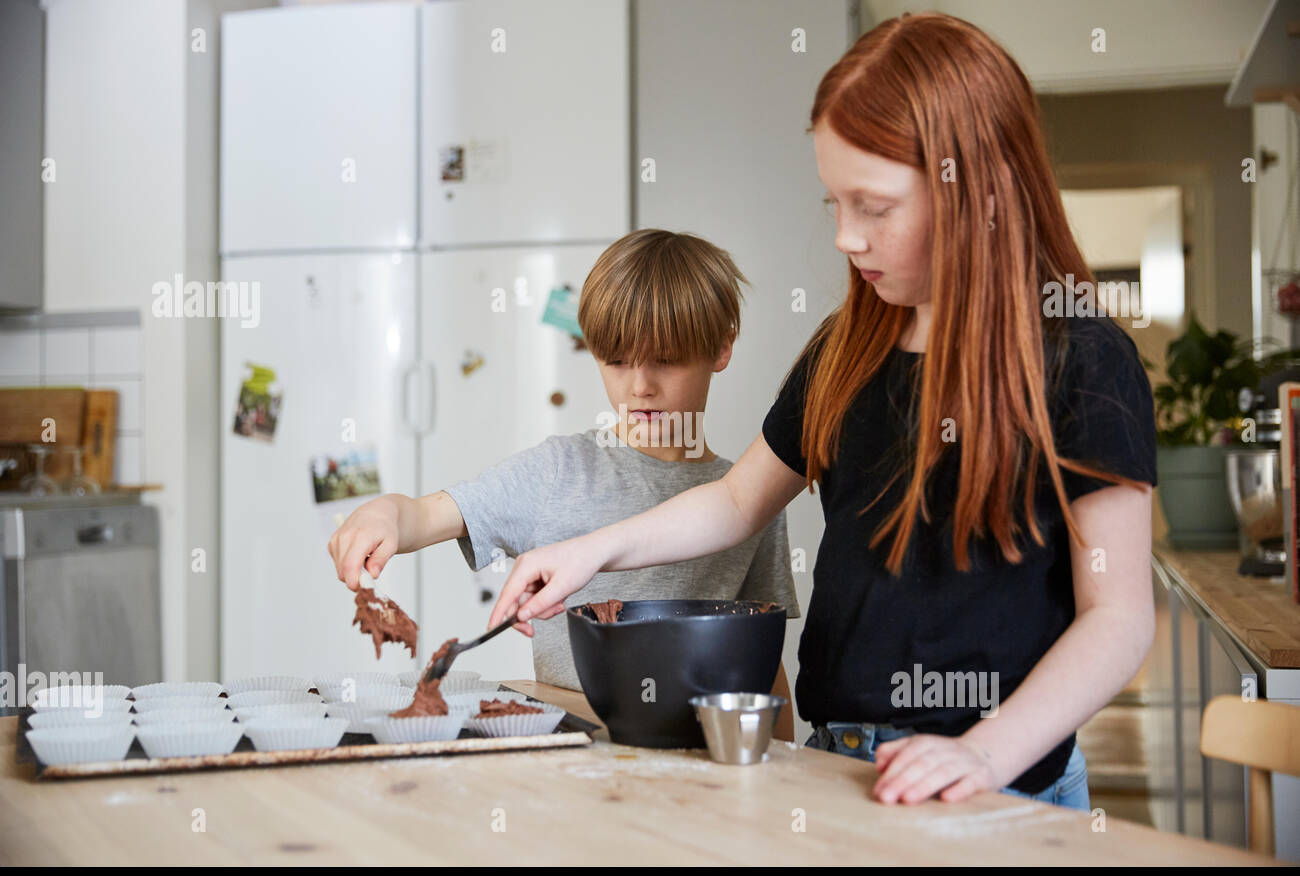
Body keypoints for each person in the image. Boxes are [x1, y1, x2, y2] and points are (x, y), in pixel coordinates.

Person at [486, 13, 1158, 810]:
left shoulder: (1082, 360)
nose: (845, 236)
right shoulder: (846, 349)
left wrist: (983, 754)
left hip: (1001, 785)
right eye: (833, 202)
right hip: (838, 765)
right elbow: (738, 500)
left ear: (980, 187)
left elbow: (1117, 619)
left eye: (874, 207)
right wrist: (589, 552)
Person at [329, 229, 801, 733]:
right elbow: (427, 514)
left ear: (722, 348)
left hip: (698, 755)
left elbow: (762, 661)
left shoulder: (753, 494)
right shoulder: (560, 471)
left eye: (666, 359)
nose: (640, 385)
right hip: (571, 748)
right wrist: (386, 512)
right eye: (616, 361)